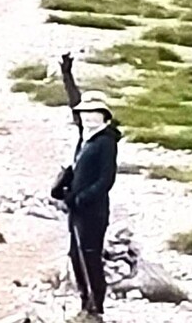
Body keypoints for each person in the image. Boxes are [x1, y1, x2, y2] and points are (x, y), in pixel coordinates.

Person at [54, 54, 120, 320]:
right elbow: (74, 103)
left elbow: (106, 180)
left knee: (91, 257)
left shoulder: (106, 142)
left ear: (103, 116)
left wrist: (81, 199)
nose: (85, 116)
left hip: (92, 211)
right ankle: (85, 302)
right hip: (76, 208)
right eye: (84, 113)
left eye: (92, 112)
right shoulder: (87, 137)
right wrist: (67, 76)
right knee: (75, 254)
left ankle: (97, 308)